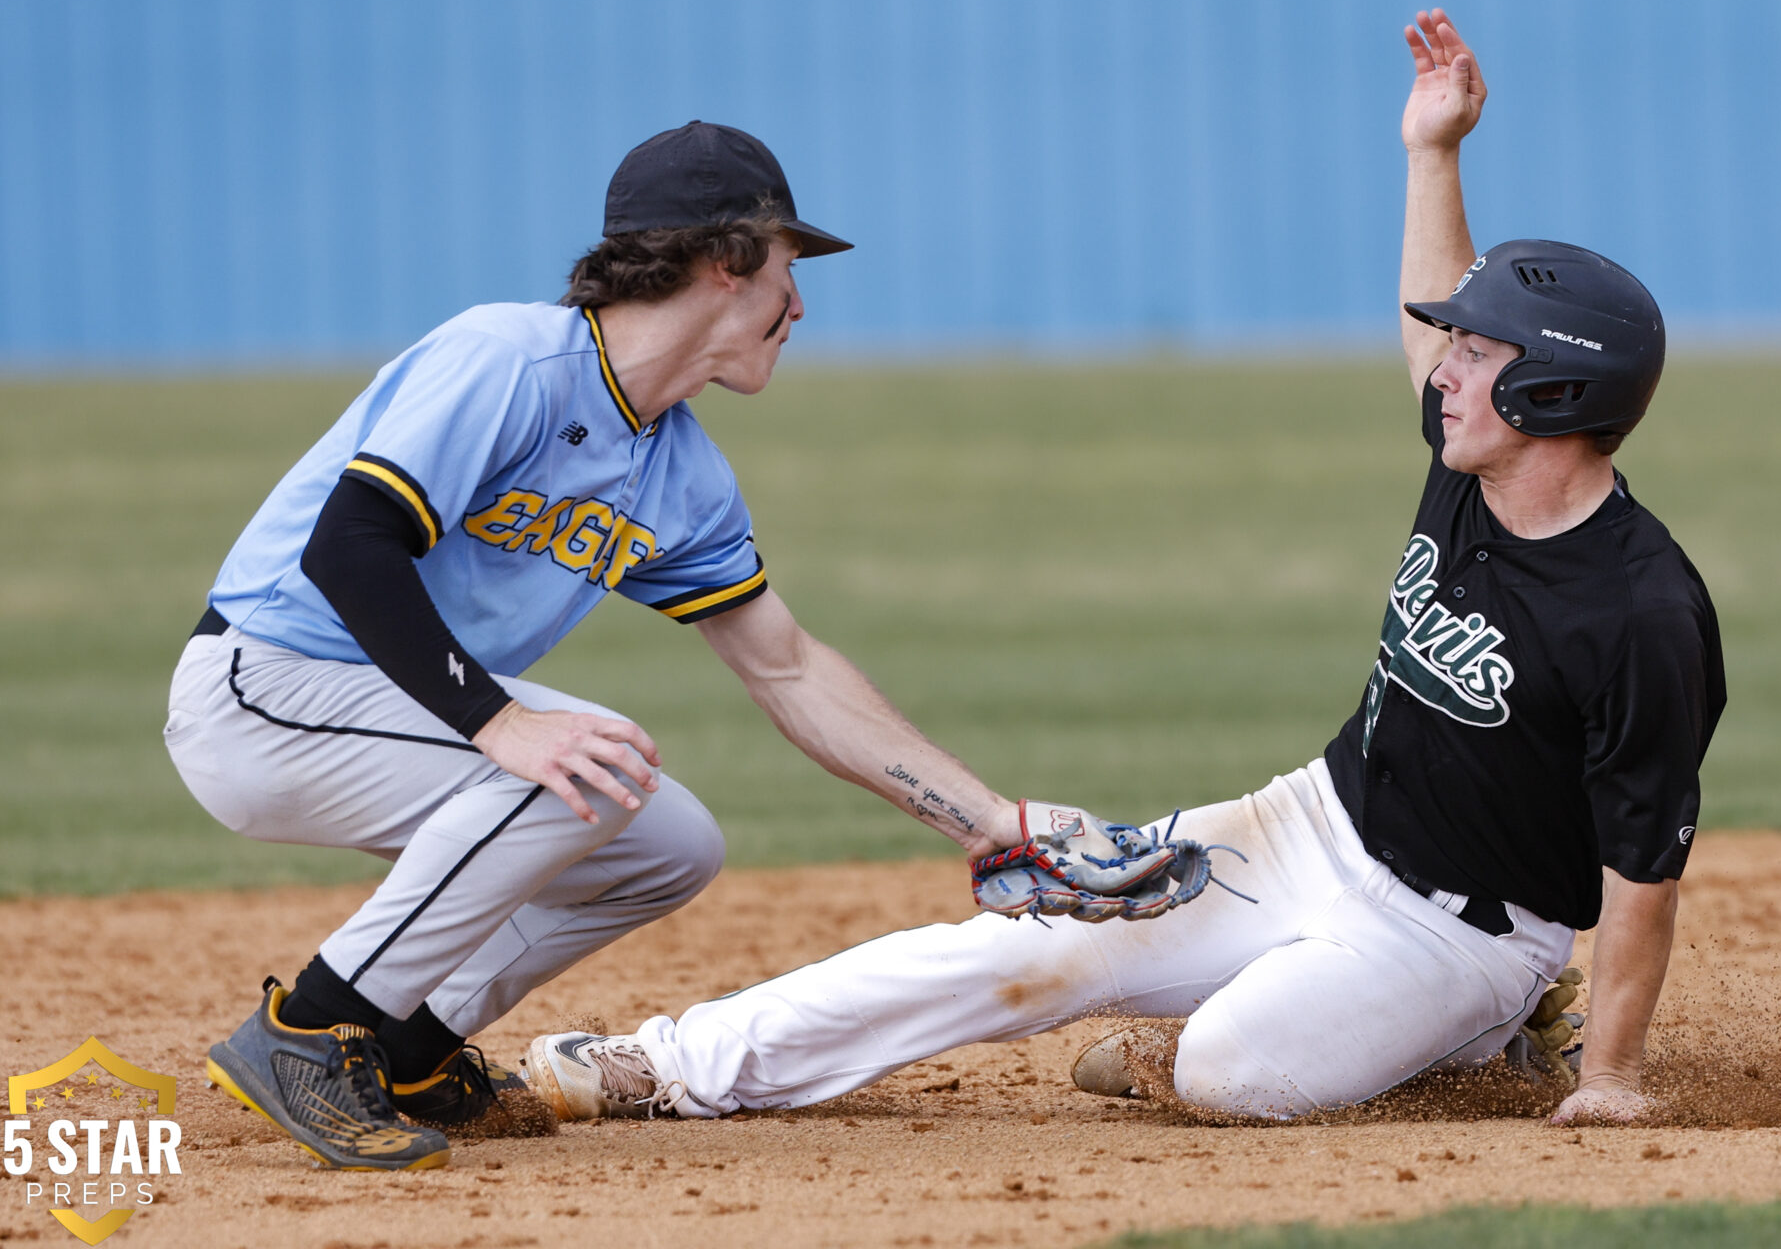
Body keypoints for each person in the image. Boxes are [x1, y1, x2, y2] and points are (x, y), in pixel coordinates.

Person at [521, 10, 1725, 1129]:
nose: (1444, 367)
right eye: (1454, 345)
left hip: (1467, 936)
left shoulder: (1642, 612)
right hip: (1313, 823)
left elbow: (1643, 874)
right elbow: (1426, 325)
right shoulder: (1472, 464)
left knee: (1226, 1067)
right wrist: (1433, 151)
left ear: (1554, 390)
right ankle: (669, 1062)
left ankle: (1491, 1026)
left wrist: (1613, 1078)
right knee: (1032, 942)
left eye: (1479, 350)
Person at [166, 122, 1102, 1171]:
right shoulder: (511, 358)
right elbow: (349, 544)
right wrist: (502, 724)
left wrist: (989, 821)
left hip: (388, 708)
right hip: (263, 689)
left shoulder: (679, 472)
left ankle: (405, 1046)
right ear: (725, 260)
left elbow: (787, 666)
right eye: (788, 266)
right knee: (572, 761)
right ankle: (307, 1026)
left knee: (667, 842)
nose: (798, 304)